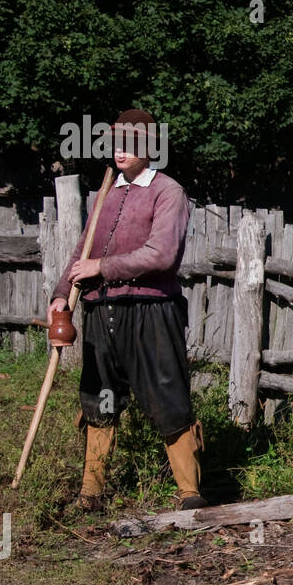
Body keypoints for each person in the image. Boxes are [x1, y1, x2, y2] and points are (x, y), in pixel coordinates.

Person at [48, 109, 204, 512]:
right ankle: (92, 491)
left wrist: (101, 268)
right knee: (101, 396)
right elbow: (81, 252)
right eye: (115, 142)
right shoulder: (106, 193)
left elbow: (162, 254)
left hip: (151, 309)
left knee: (167, 394)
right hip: (101, 311)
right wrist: (62, 293)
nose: (120, 151)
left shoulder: (168, 191)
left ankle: (190, 493)